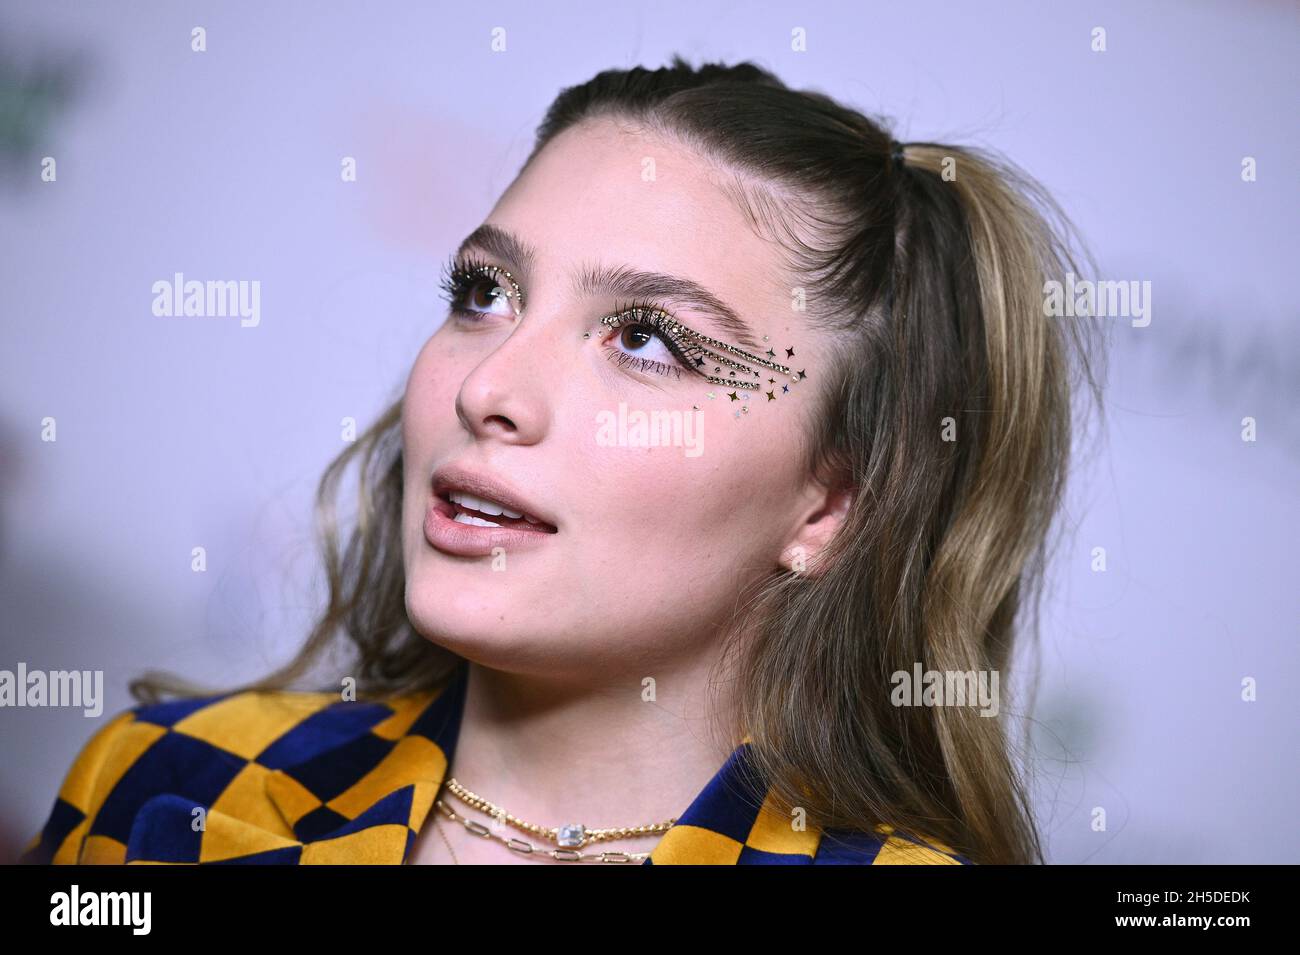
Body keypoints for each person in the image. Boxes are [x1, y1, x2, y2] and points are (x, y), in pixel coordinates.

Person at [19, 55, 1101, 866]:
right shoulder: (167, 784)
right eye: (484, 294)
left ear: (830, 504)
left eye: (646, 340)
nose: (486, 390)